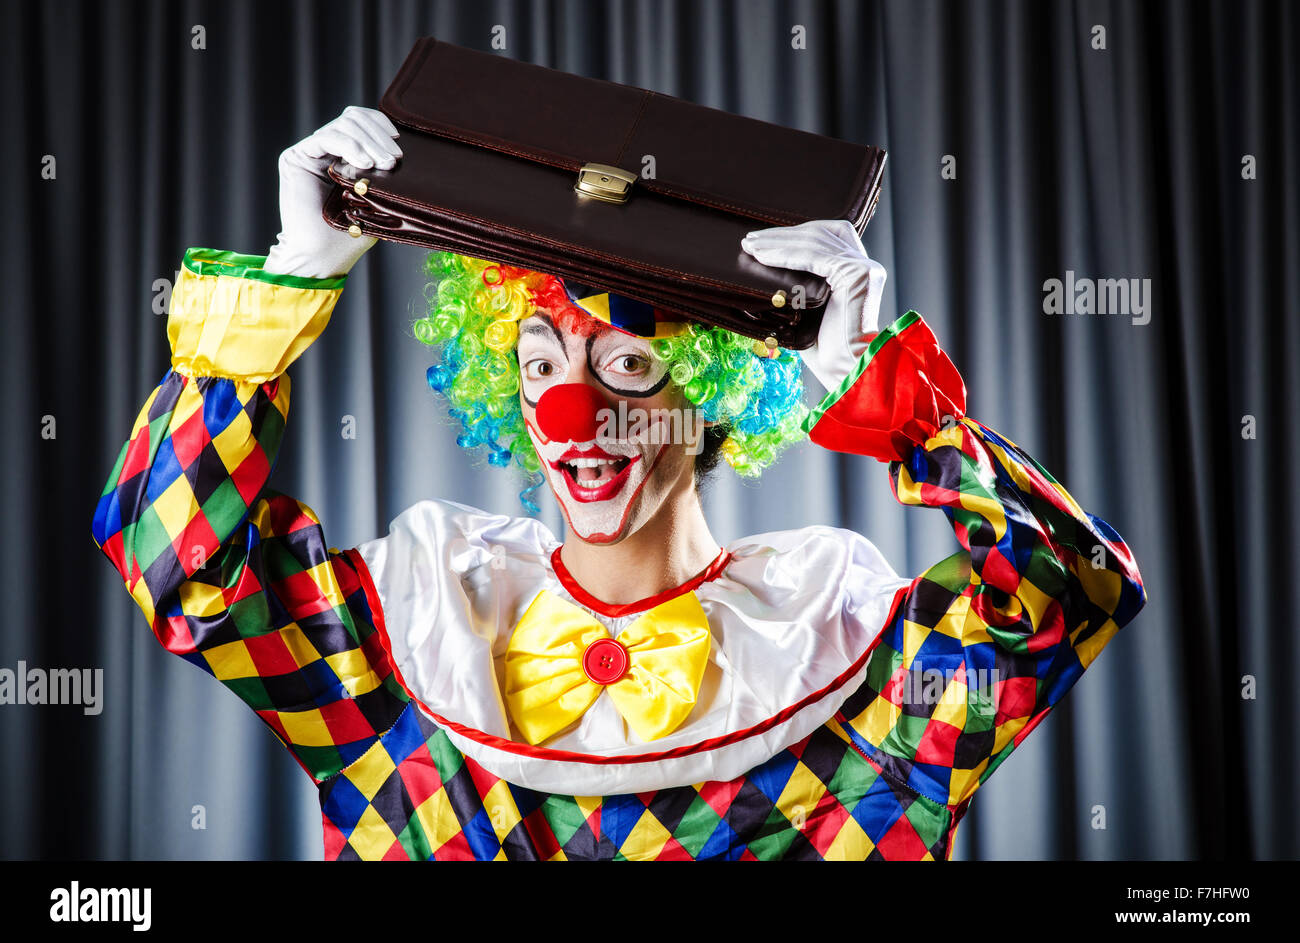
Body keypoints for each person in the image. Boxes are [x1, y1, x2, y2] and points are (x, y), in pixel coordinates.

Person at [92, 106, 1145, 860]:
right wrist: (295, 272)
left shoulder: (868, 682)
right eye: (540, 364)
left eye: (628, 367)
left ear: (717, 395)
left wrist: (889, 397)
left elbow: (1075, 584)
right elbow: (172, 558)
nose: (570, 414)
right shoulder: (396, 651)